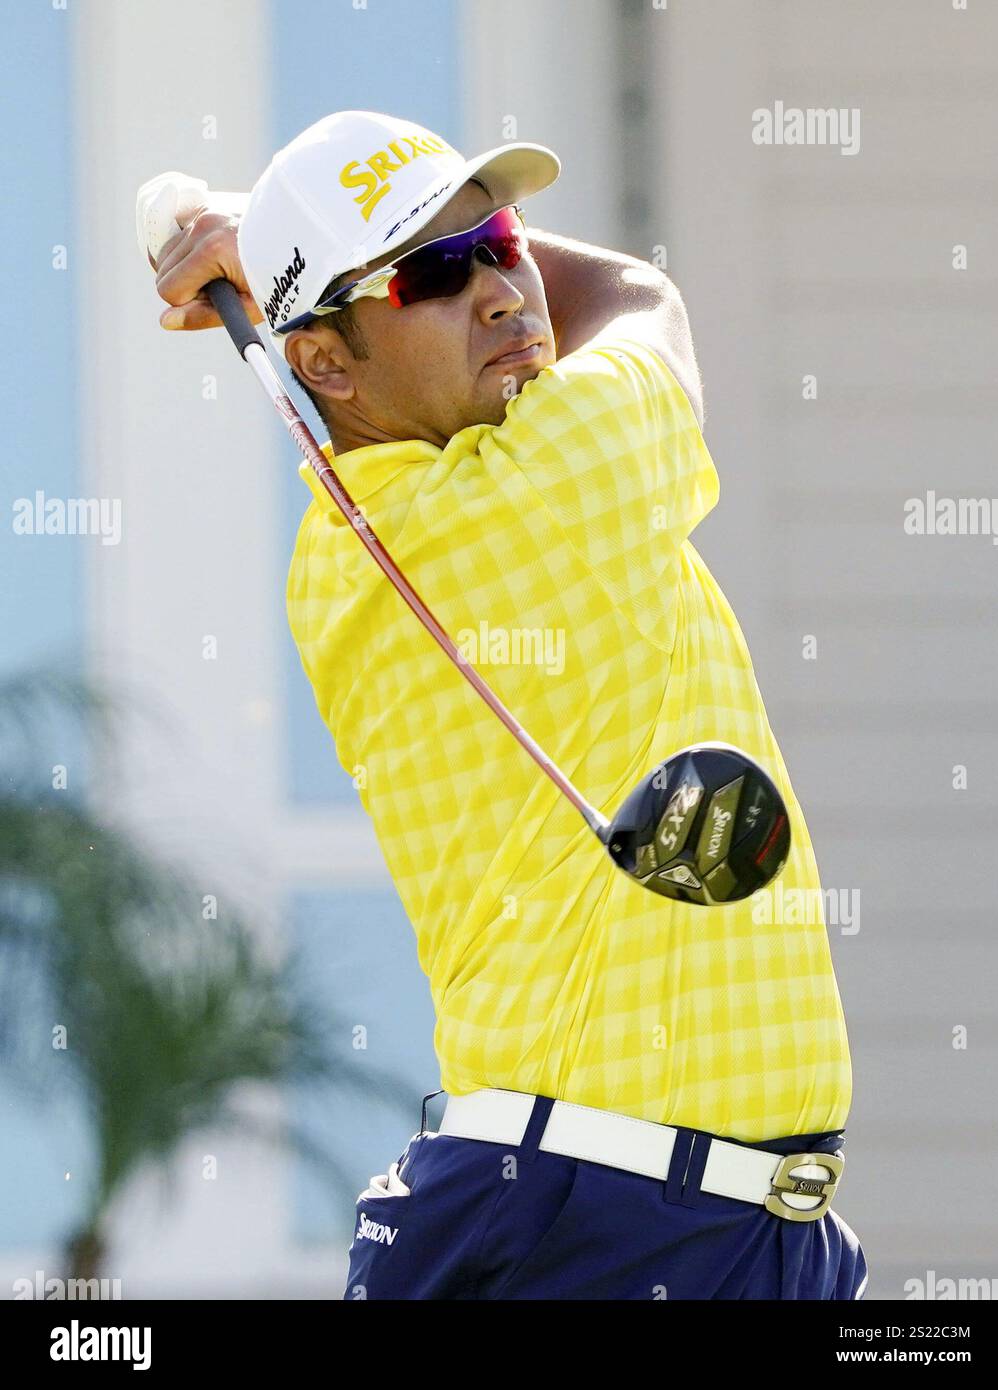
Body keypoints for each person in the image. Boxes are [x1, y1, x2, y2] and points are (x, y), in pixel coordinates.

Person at [141, 109, 866, 1301]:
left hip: (694, 1224)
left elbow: (556, 306)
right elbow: (638, 299)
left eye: (501, 236)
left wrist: (282, 240)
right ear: (323, 364)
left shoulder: (379, 530)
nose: (498, 288)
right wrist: (250, 226)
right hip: (607, 1225)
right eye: (430, 270)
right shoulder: (530, 488)